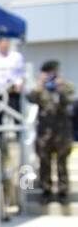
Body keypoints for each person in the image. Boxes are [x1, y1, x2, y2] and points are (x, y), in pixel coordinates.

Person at [28, 61, 74, 204]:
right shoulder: (40, 89)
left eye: (53, 73)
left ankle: (63, 192)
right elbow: (30, 98)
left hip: (62, 131)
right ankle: (46, 191)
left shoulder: (66, 86)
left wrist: (60, 87)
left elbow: (70, 100)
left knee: (62, 163)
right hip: (45, 132)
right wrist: (40, 85)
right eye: (48, 73)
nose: (51, 76)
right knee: (44, 162)